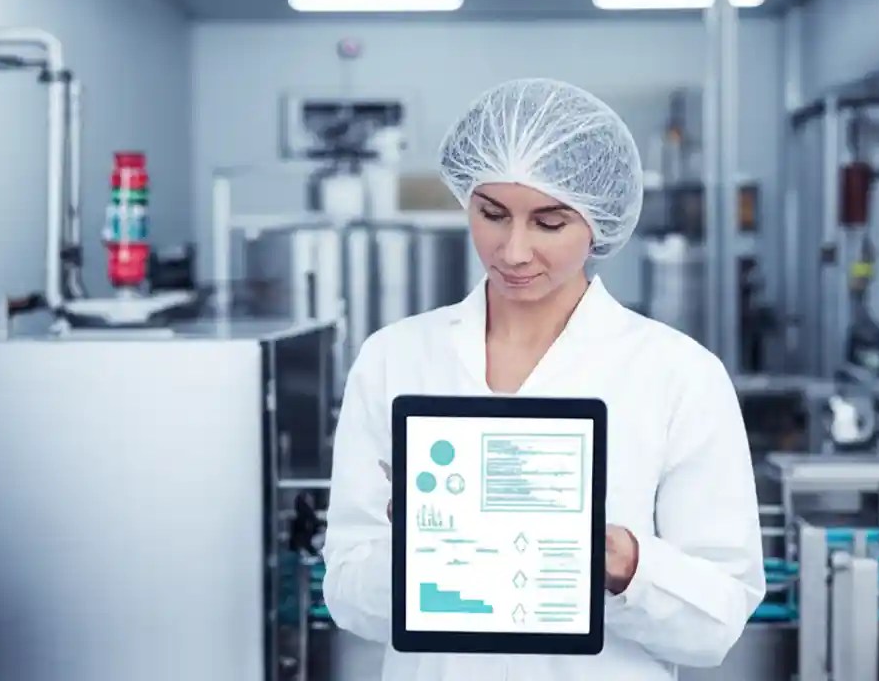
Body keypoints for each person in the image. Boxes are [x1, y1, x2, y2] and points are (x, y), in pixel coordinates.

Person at [322, 78, 764, 680]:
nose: (513, 251)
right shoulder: (395, 359)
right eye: (492, 214)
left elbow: (717, 622)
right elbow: (347, 593)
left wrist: (623, 564)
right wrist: (425, 552)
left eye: (550, 222)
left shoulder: (676, 374)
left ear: (598, 221)